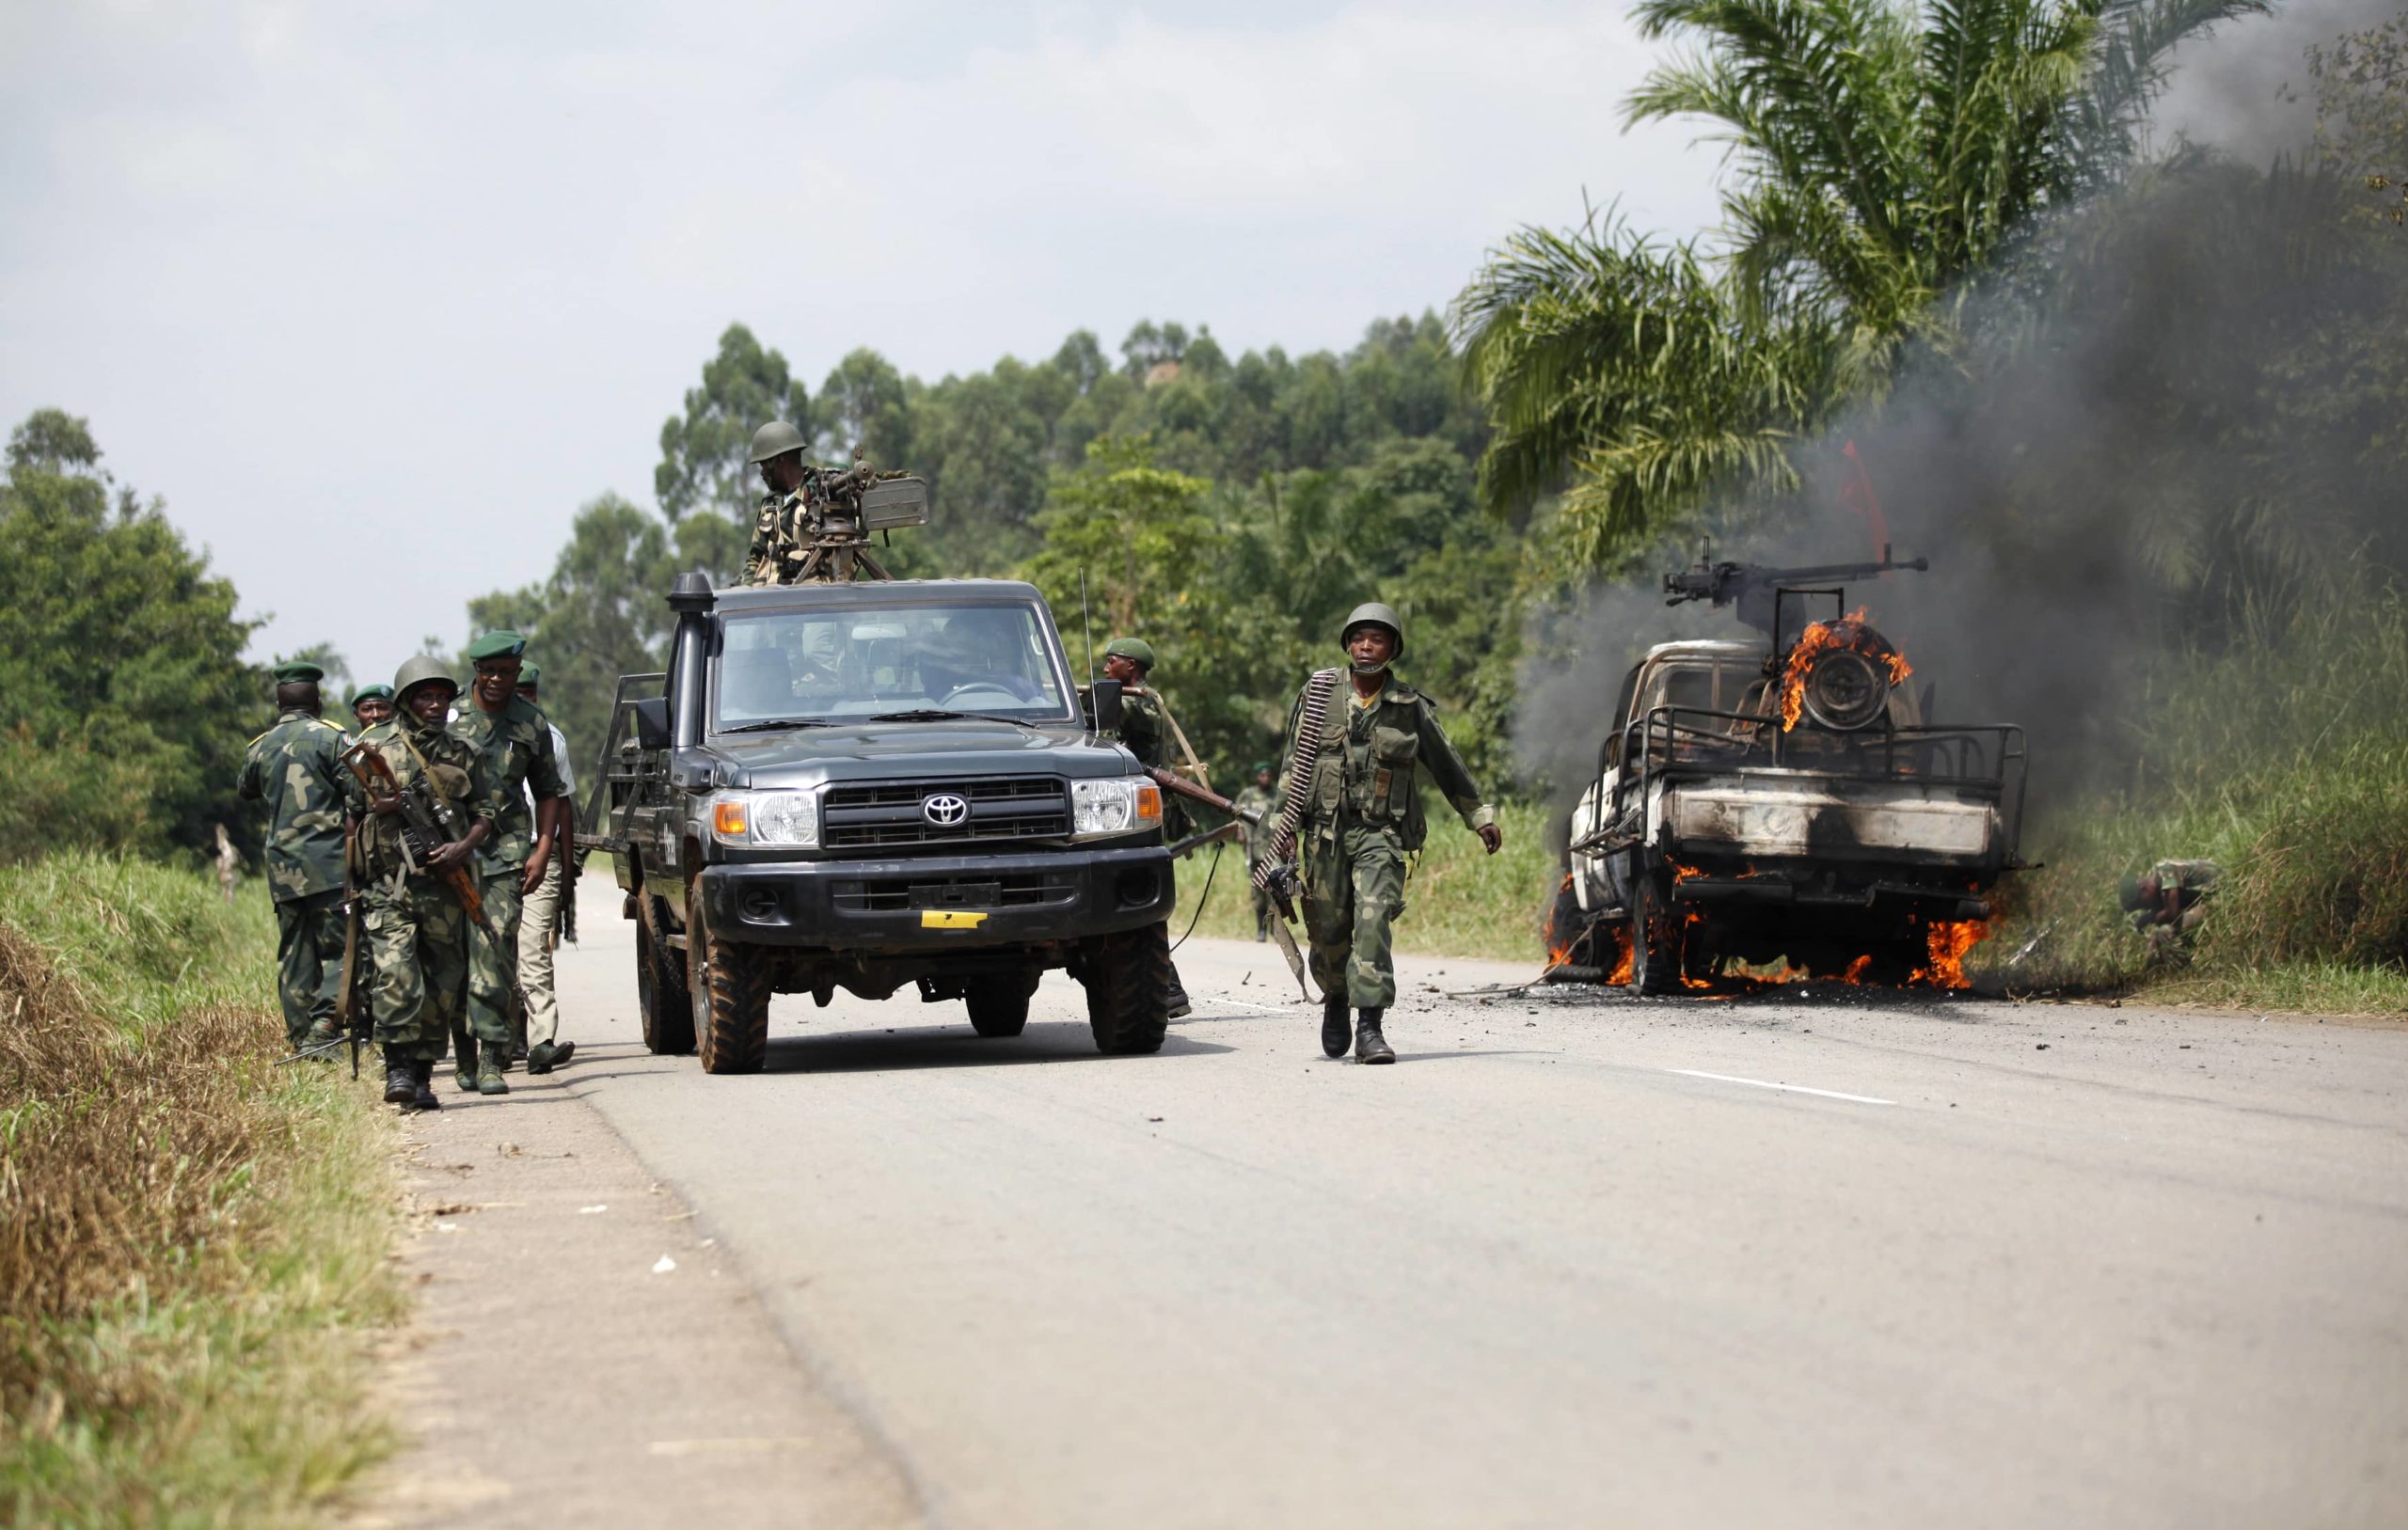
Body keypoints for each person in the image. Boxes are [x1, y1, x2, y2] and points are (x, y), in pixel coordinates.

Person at [1281, 603, 1500, 1065]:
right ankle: (1337, 997)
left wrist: (1479, 816)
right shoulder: (1319, 694)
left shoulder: (1409, 706)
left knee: (1373, 921)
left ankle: (1370, 1027)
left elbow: (1446, 763)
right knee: (1328, 930)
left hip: (1379, 835)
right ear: (1347, 644)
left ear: (1393, 648)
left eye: (1377, 639)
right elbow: (1294, 767)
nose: (1366, 646)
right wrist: (1282, 831)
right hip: (1324, 835)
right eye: (1359, 638)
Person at [354, 655, 495, 1110]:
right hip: (389, 886)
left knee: (441, 983)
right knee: (396, 974)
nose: (435, 705)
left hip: (444, 887)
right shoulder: (375, 749)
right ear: (405, 702)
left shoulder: (464, 752)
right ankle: (397, 1067)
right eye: (425, 697)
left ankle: (421, 1074)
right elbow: (351, 814)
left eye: (441, 697)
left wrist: (462, 847)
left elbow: (487, 813)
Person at [448, 631, 572, 1086]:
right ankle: (463, 1054)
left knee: (497, 950)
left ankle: (491, 1057)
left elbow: (549, 792)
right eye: (489, 671)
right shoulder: (449, 718)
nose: (497, 679)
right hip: (451, 852)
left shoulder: (531, 722)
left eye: (506, 672)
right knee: (456, 956)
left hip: (506, 853)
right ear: (476, 672)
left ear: (518, 673)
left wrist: (543, 850)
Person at [236, 660, 353, 1052]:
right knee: (339, 948)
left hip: (283, 869)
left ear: (279, 704)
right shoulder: (333, 739)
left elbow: (246, 789)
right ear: (317, 702)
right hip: (329, 865)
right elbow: (358, 791)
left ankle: (302, 1038)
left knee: (294, 954)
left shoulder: (261, 746)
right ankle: (325, 1026)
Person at [1101, 636, 1193, 1018]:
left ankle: (1169, 989)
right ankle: (1167, 989)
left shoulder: (1140, 704)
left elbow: (1095, 715)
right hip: (1137, 810)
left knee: (1137, 900)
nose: (1106, 668)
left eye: (1112, 661)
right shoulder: (1140, 699)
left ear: (1132, 666)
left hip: (1143, 814)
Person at [513, 660, 578, 1072]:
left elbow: (562, 804)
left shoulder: (550, 738)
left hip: (542, 853)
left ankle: (541, 1041)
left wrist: (567, 872)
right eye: (516, 693)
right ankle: (501, 1038)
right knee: (496, 950)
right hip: (490, 855)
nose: (523, 700)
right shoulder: (472, 733)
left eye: (529, 693)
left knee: (534, 946)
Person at [744, 419, 813, 586]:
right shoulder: (770, 505)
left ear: (780, 460)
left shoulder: (819, 493)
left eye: (764, 464)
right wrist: (743, 591)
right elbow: (755, 559)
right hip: (773, 595)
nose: (762, 473)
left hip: (814, 592)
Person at [2120, 859, 2220, 962]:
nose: (2147, 908)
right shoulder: (2158, 889)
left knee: (2166, 931)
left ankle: (2182, 966)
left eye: (2143, 904)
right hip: (2200, 900)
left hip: (2216, 893)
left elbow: (2173, 914)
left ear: (2144, 889)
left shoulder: (2164, 870)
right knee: (2156, 937)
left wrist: (2150, 918)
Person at [1232, 761, 1279, 942]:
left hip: (1273, 850)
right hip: (1254, 849)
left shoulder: (1276, 795)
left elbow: (1283, 817)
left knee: (1275, 891)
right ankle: (1261, 929)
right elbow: (1237, 813)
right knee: (1258, 891)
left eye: (1268, 775)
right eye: (1262, 775)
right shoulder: (1248, 794)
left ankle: (1275, 929)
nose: (1265, 778)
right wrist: (1240, 830)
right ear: (1257, 777)